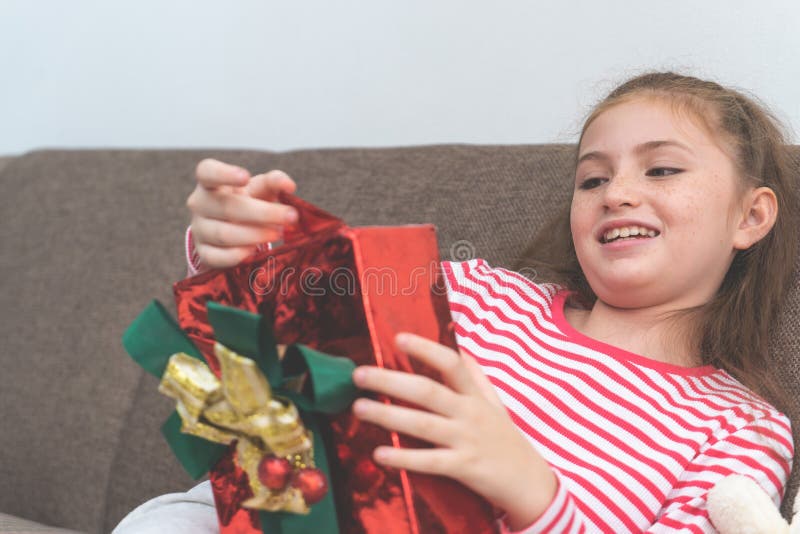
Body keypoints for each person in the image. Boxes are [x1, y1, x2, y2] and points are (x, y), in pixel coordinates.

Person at [115, 71, 798, 533]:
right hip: (307, 506)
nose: (615, 193)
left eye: (663, 168)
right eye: (592, 179)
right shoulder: (486, 294)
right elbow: (313, 303)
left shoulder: (741, 429)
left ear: (751, 216)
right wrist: (243, 243)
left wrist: (533, 491)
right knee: (172, 518)